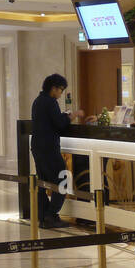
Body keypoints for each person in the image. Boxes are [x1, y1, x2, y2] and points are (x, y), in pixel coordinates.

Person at [30, 74, 81, 230]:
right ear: (54, 88)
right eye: (60, 90)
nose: (60, 94)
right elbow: (59, 124)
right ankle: (51, 215)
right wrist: (72, 116)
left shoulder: (38, 101)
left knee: (43, 182)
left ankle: (43, 216)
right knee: (63, 180)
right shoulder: (50, 102)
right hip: (49, 149)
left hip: (37, 147)